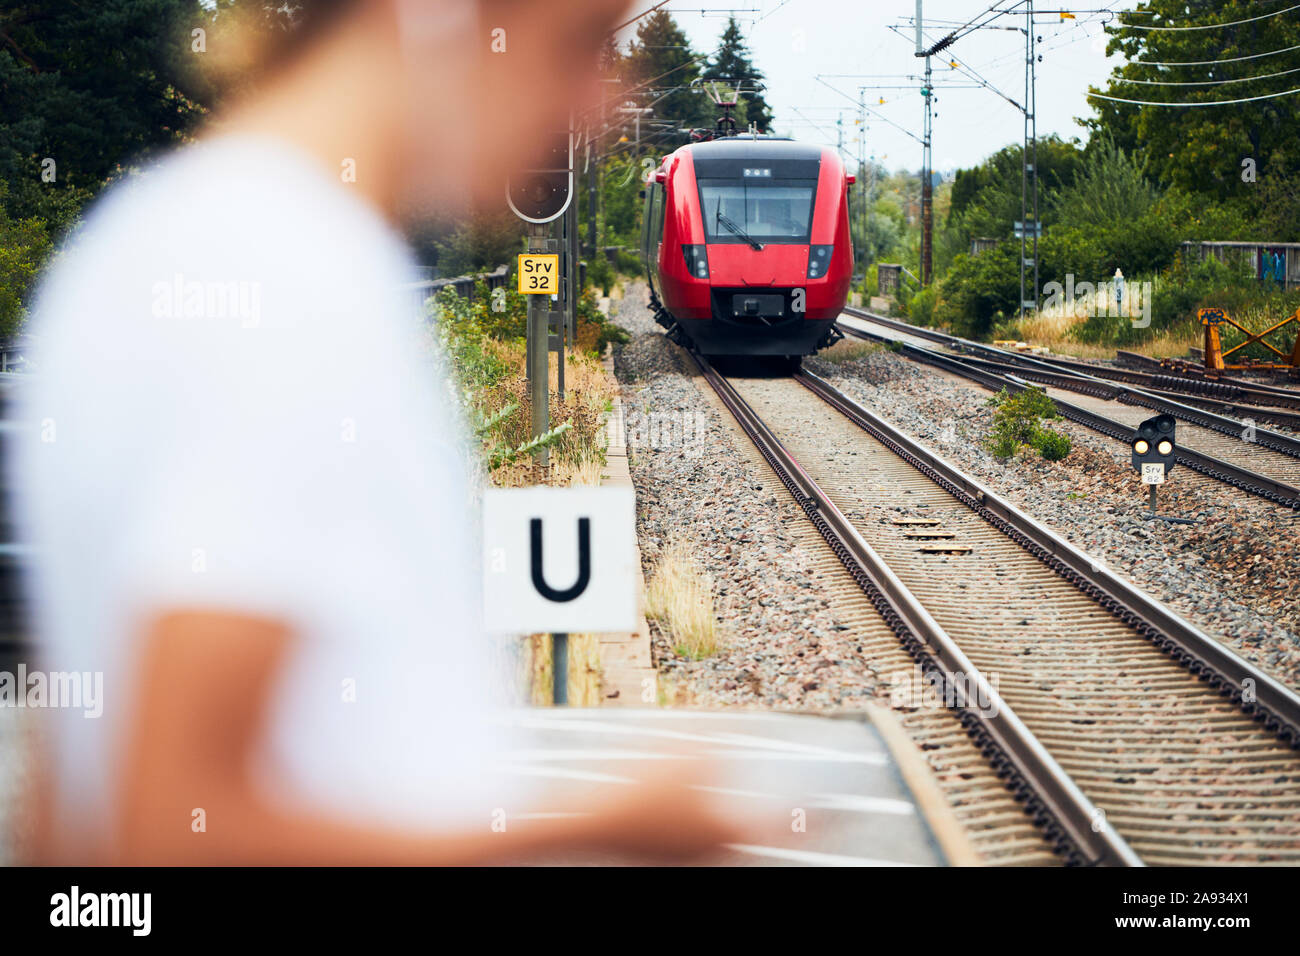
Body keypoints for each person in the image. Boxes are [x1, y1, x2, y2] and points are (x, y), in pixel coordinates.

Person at [14, 0, 738, 864]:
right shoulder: (280, 279)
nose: (598, 101)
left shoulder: (176, 240)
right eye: (577, 44)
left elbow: (69, 815)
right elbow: (167, 823)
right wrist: (603, 827)